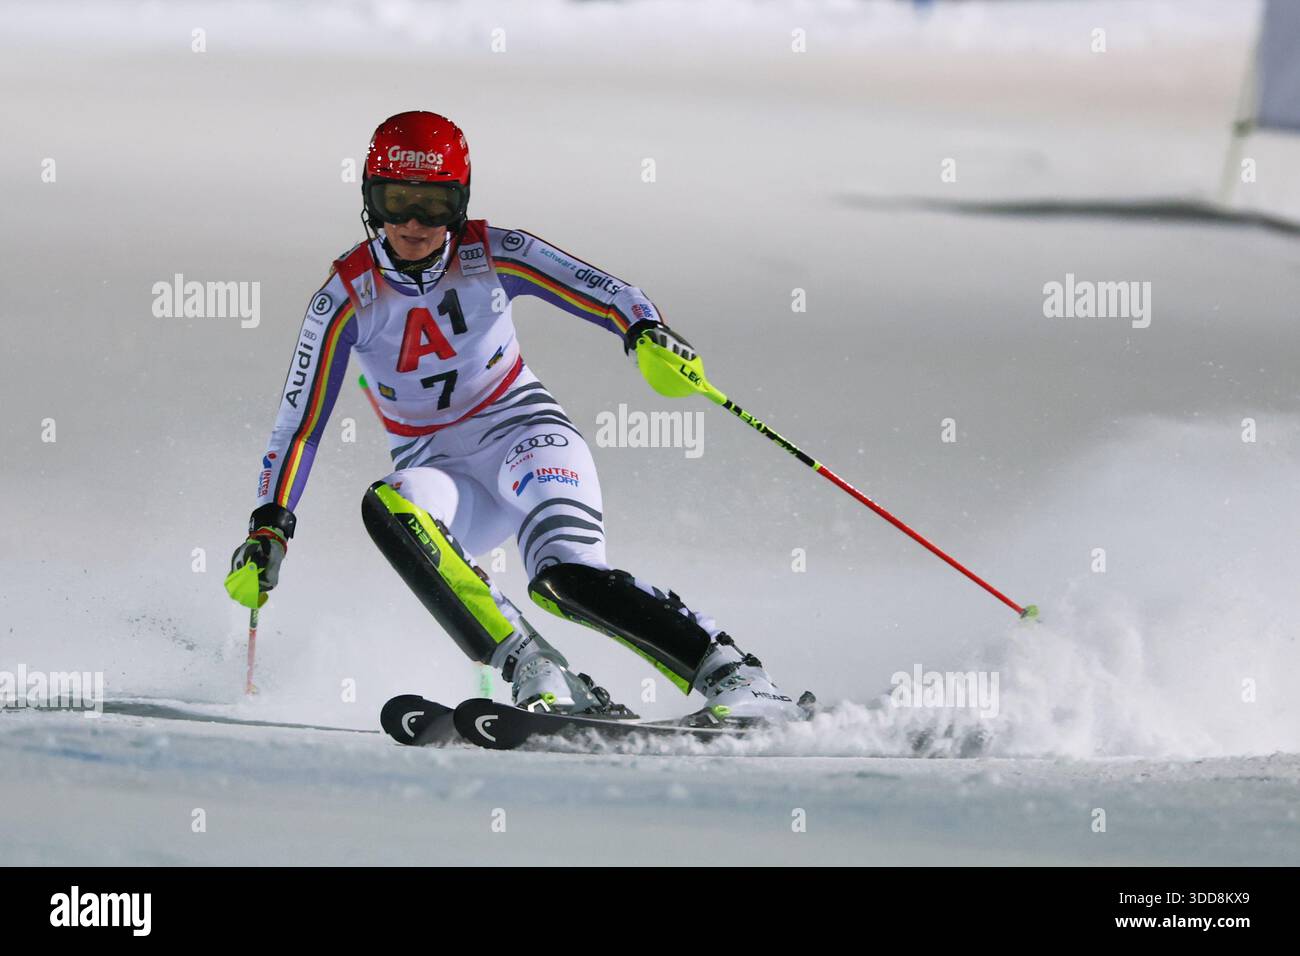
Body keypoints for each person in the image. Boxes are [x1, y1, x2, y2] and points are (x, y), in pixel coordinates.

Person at [226, 111, 807, 724]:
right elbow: (300, 426)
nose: (415, 225)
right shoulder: (345, 298)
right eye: (396, 202)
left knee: (565, 580)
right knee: (389, 506)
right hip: (444, 476)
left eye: (435, 203)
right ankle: (535, 667)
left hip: (528, 439)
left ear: (461, 201)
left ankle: (733, 675)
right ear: (370, 200)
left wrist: (647, 333)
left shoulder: (495, 251)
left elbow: (610, 292)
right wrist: (270, 528)